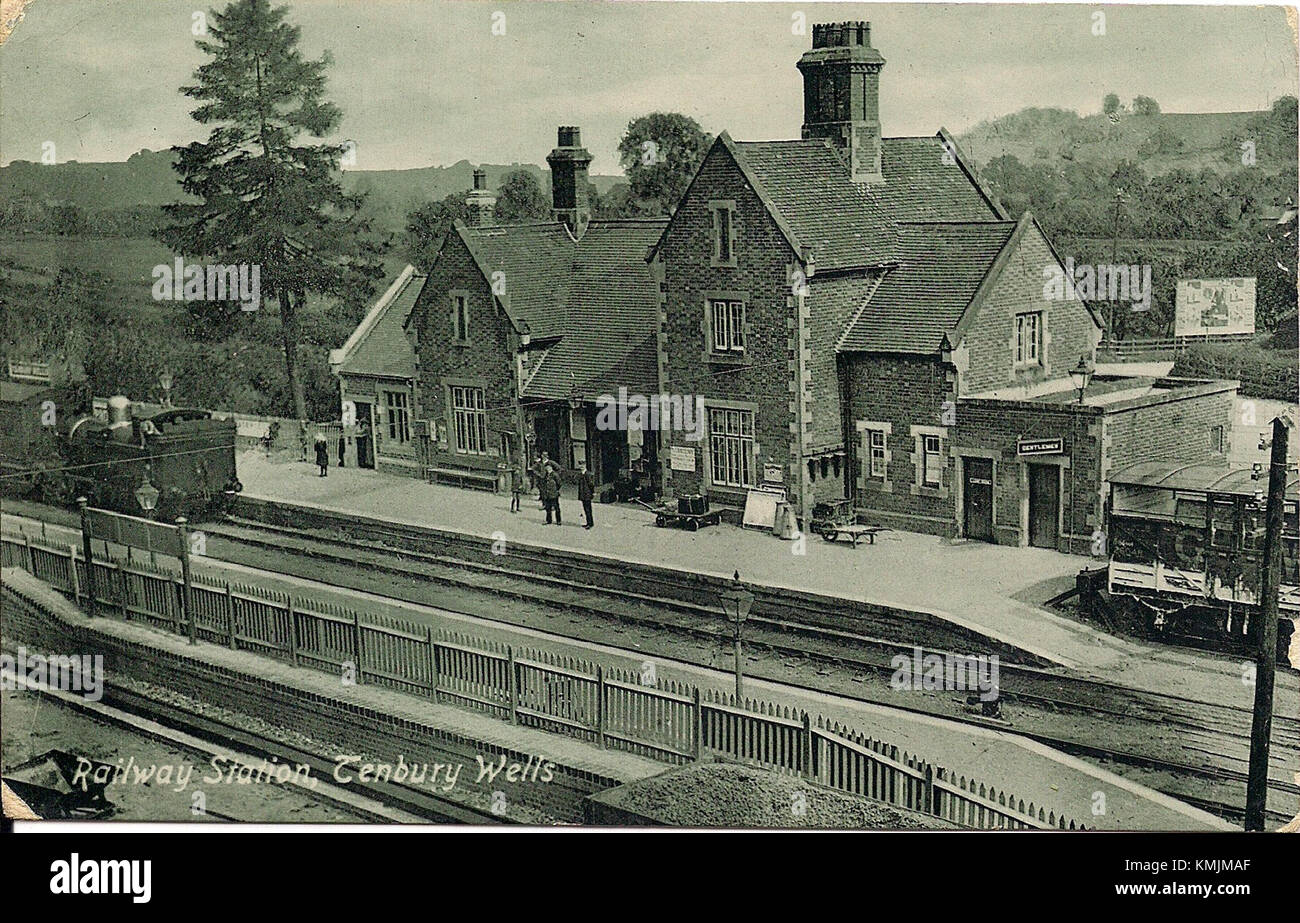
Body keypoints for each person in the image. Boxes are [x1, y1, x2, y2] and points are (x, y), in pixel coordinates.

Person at [577, 461, 595, 529]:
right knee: (585, 509)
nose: (581, 467)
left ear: (585, 466)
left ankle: (590, 524)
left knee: (588, 509)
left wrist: (592, 492)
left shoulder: (587, 474)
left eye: (582, 465)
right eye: (580, 465)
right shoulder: (581, 474)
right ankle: (588, 523)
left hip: (587, 494)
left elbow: (591, 484)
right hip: (583, 494)